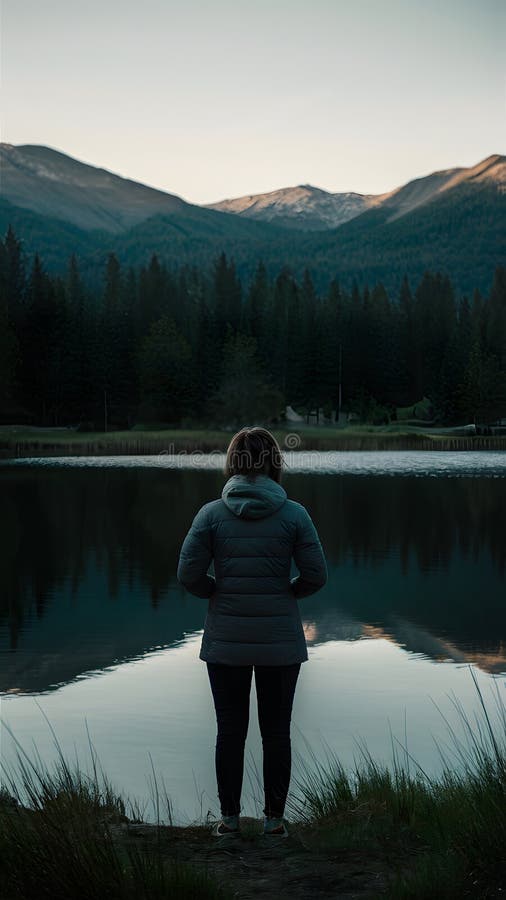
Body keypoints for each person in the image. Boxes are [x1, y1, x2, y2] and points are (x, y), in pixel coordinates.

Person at [176, 426, 328, 838]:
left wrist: (217, 593)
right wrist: (286, 595)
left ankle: (228, 822)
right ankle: (274, 823)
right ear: (275, 462)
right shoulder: (295, 514)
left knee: (230, 730)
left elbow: (188, 574)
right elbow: (316, 575)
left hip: (226, 641)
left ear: (233, 463)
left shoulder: (211, 515)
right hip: (280, 643)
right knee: (276, 732)